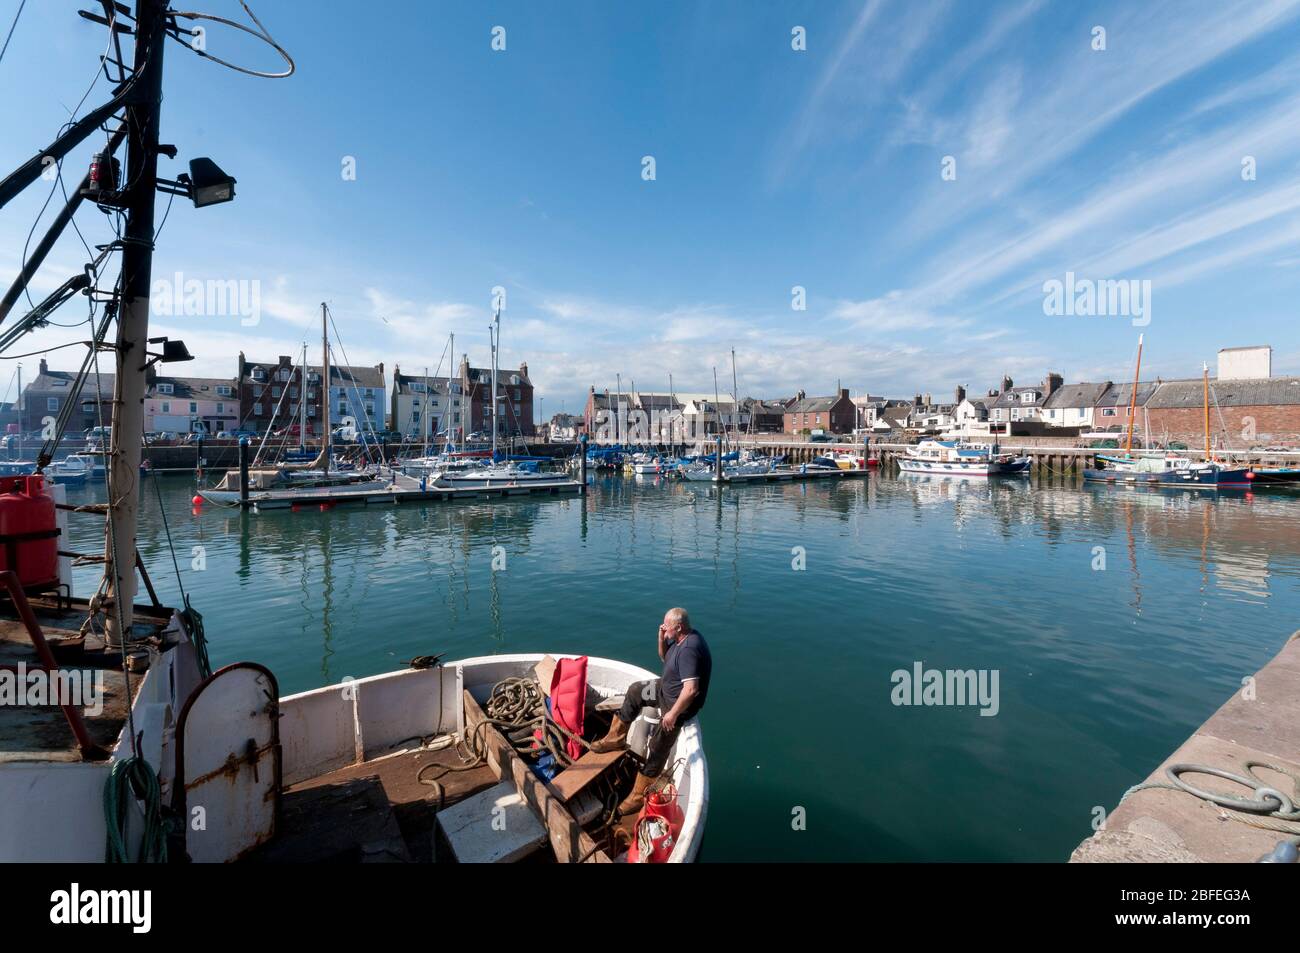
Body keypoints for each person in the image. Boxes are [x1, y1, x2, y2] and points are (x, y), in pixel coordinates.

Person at [590, 606, 711, 815]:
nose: (664, 627)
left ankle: (639, 795)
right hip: (665, 691)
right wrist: (661, 637)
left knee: (657, 747)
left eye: (667, 626)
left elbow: (691, 690)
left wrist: (672, 714)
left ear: (679, 627)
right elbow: (665, 658)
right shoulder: (678, 640)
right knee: (636, 691)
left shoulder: (690, 648)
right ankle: (616, 737)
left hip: (676, 707)